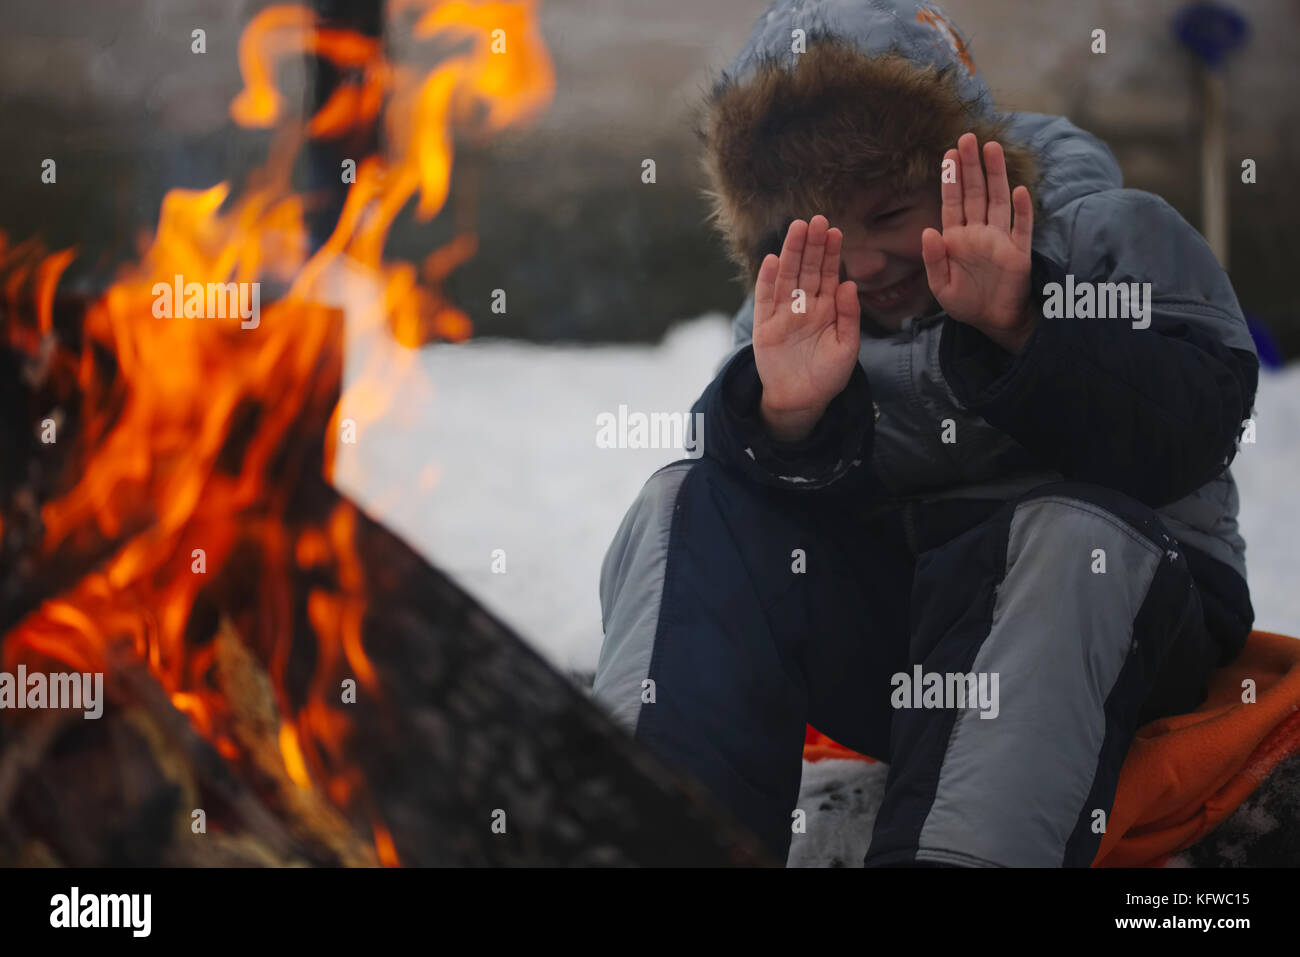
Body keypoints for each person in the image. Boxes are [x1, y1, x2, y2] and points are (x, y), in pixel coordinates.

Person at [592, 0, 1259, 866]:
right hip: (909, 647)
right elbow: (737, 554)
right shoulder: (803, 305)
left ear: (968, 173)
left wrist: (1025, 323)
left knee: (1060, 532)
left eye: (891, 210)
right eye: (826, 226)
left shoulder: (1108, 234)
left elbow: (1196, 422)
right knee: (686, 496)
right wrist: (788, 422)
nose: (865, 262)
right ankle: (647, 839)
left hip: (1111, 625)